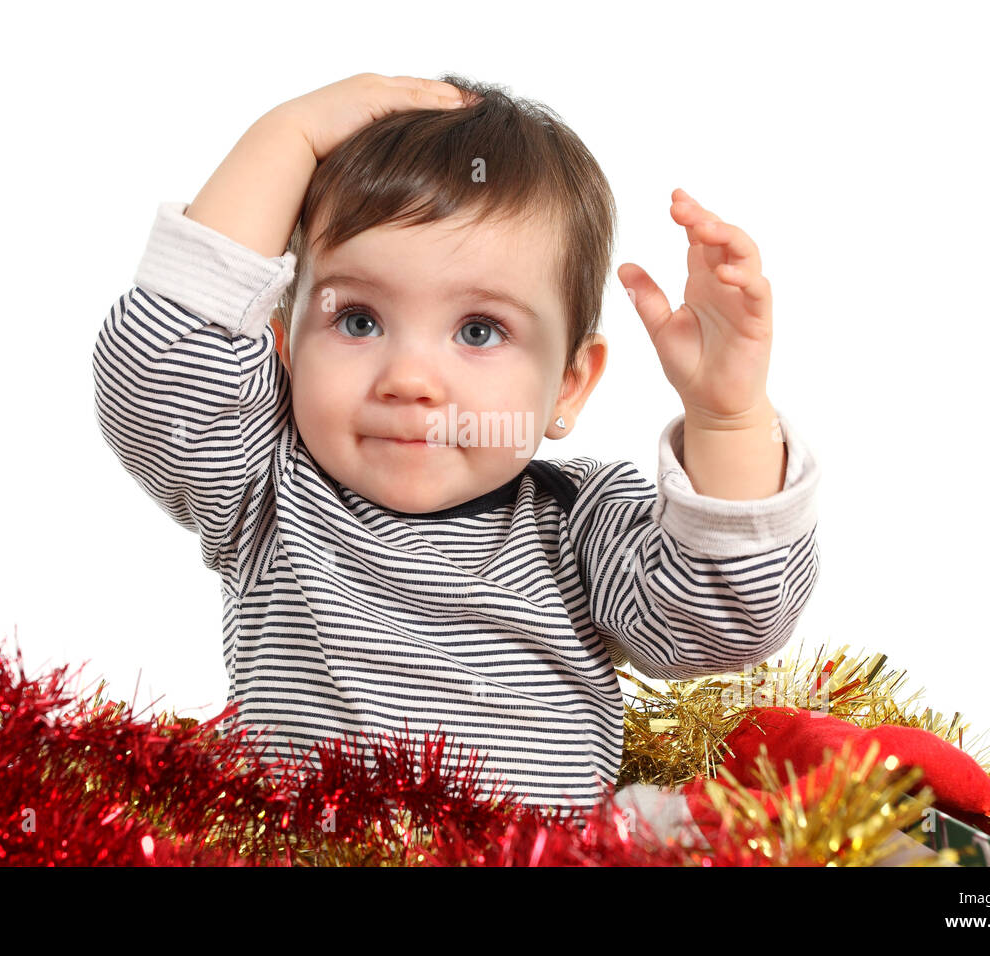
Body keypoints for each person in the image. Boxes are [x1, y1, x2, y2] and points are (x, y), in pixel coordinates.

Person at [92, 72, 821, 815]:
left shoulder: (579, 520)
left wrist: (727, 417)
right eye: (358, 320)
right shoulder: (269, 486)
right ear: (283, 344)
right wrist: (287, 136)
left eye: (479, 331)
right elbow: (162, 370)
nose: (409, 379)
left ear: (569, 383)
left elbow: (724, 619)